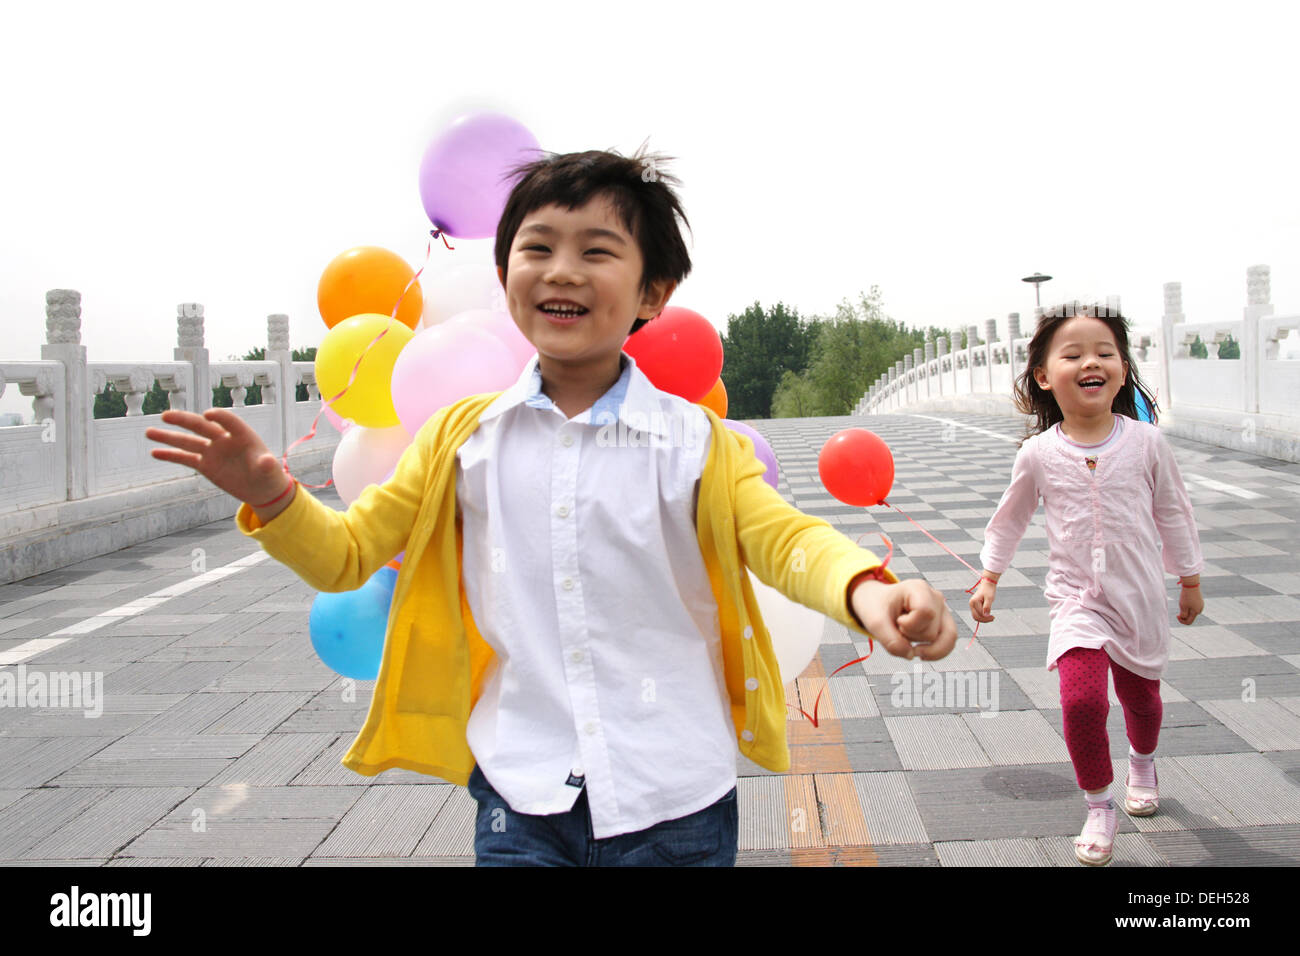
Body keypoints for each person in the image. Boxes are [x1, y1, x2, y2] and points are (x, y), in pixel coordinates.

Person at [147, 147, 958, 867]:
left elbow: (788, 542)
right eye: (536, 249)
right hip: (518, 799)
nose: (561, 270)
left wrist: (870, 591)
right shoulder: (459, 442)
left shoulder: (698, 443)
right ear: (504, 280)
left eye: (596, 252)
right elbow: (348, 554)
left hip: (673, 802)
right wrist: (275, 497)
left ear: (653, 292)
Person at [968, 301, 1204, 867]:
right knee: (1080, 701)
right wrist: (989, 577)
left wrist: (1189, 579)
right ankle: (1099, 806)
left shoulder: (1147, 444)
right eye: (1072, 354)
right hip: (1076, 602)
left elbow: (1174, 513)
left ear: (1122, 369)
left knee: (1141, 698)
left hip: (1140, 598)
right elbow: (1011, 518)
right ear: (1045, 377)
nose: (1090, 362)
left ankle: (1142, 763)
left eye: (1104, 352)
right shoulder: (1038, 454)